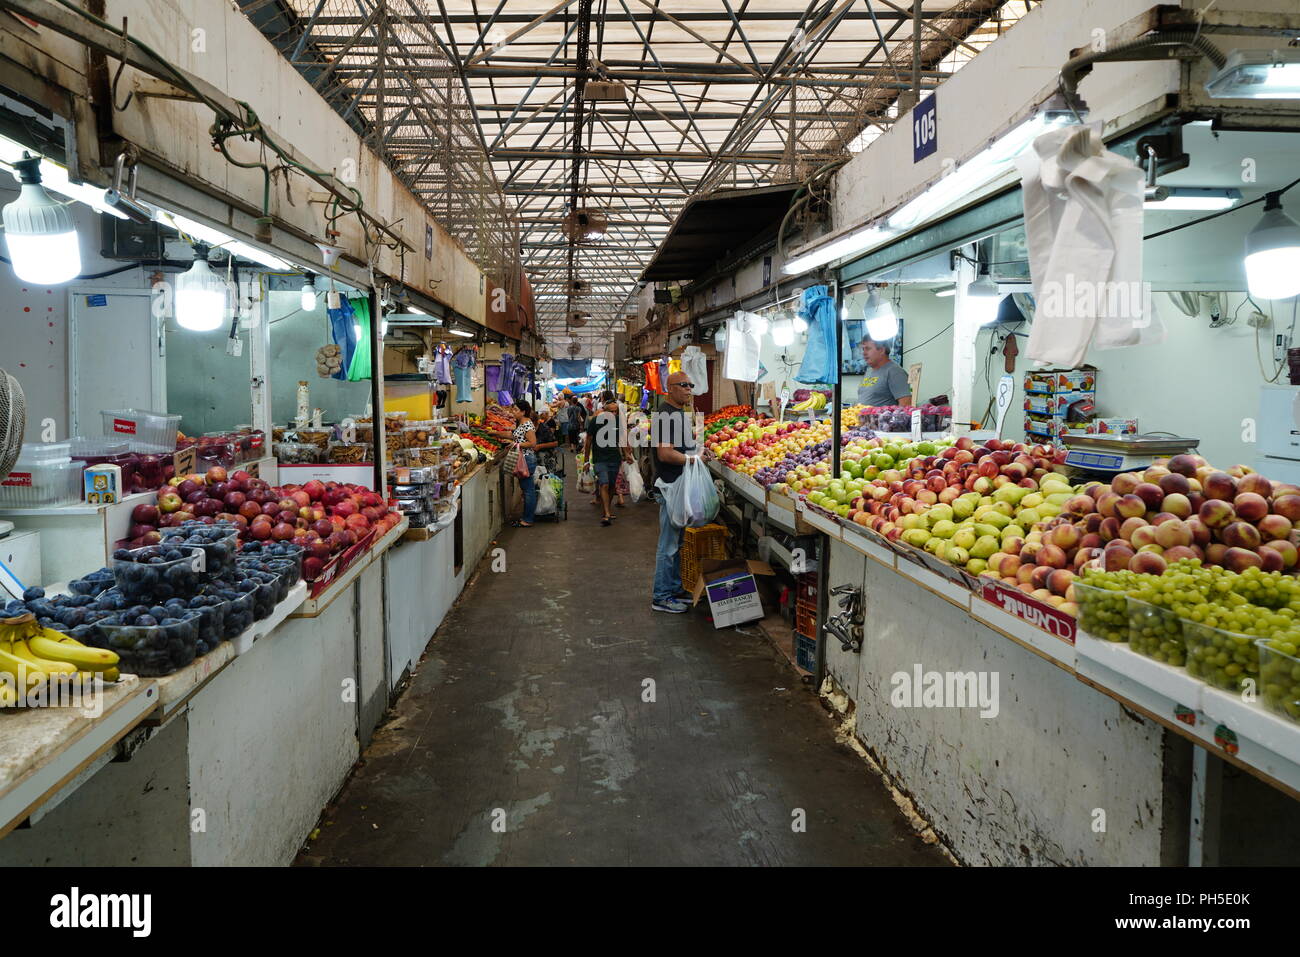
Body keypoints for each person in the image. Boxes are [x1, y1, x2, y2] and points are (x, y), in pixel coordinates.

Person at [650, 371, 700, 613]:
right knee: (668, 545)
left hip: (678, 486)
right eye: (684, 385)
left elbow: (679, 446)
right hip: (670, 486)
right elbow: (665, 453)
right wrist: (694, 460)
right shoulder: (665, 415)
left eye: (691, 385)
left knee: (677, 543)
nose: (689, 388)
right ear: (670, 388)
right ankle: (661, 597)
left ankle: (674, 589)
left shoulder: (678, 414)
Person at [584, 390, 631, 526]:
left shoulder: (618, 421)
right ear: (604, 410)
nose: (614, 414)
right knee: (604, 483)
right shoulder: (595, 422)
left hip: (614, 458)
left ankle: (607, 509)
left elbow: (622, 439)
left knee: (611, 486)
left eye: (616, 412)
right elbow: (588, 441)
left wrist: (627, 454)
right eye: (612, 411)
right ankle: (606, 513)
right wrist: (586, 460)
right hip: (600, 458)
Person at [490, 400, 539, 528]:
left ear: (523, 412)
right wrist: (495, 433)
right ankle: (527, 517)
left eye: (516, 410)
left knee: (528, 490)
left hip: (527, 459)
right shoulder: (521, 423)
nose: (513, 412)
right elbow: (513, 435)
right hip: (523, 459)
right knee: (527, 489)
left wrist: (516, 444)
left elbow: (533, 443)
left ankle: (527, 519)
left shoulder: (527, 424)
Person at [856, 338, 913, 407]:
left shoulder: (895, 372)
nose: (864, 353)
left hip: (880, 417)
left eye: (868, 349)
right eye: (863, 349)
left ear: (882, 350)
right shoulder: (869, 371)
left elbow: (906, 404)